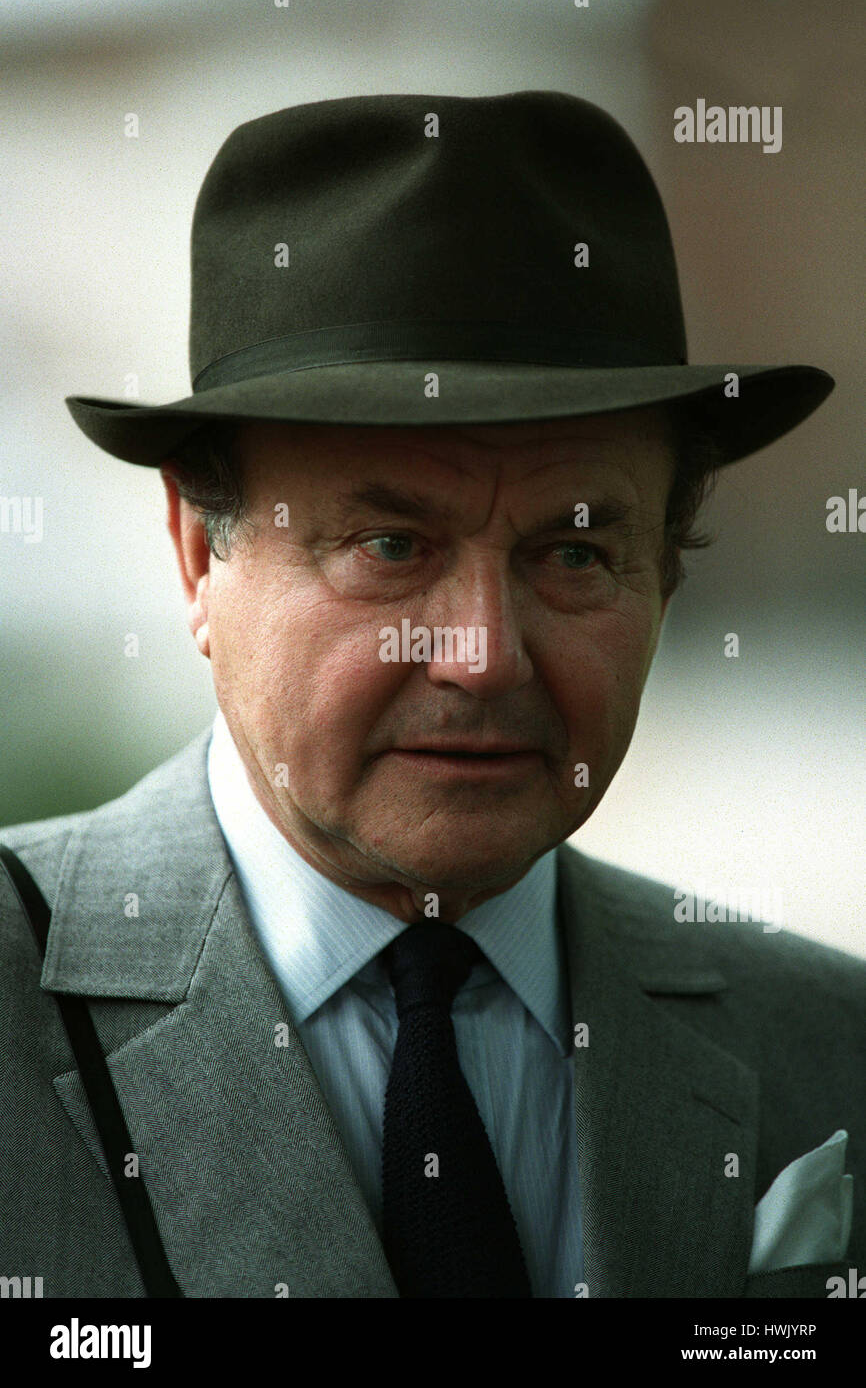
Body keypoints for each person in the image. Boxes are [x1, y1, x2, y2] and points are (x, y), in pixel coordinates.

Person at [1, 90, 862, 1300]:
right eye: (389, 545)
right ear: (201, 554)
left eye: (571, 551)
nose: (482, 654)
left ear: (663, 570)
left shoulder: (830, 1044)